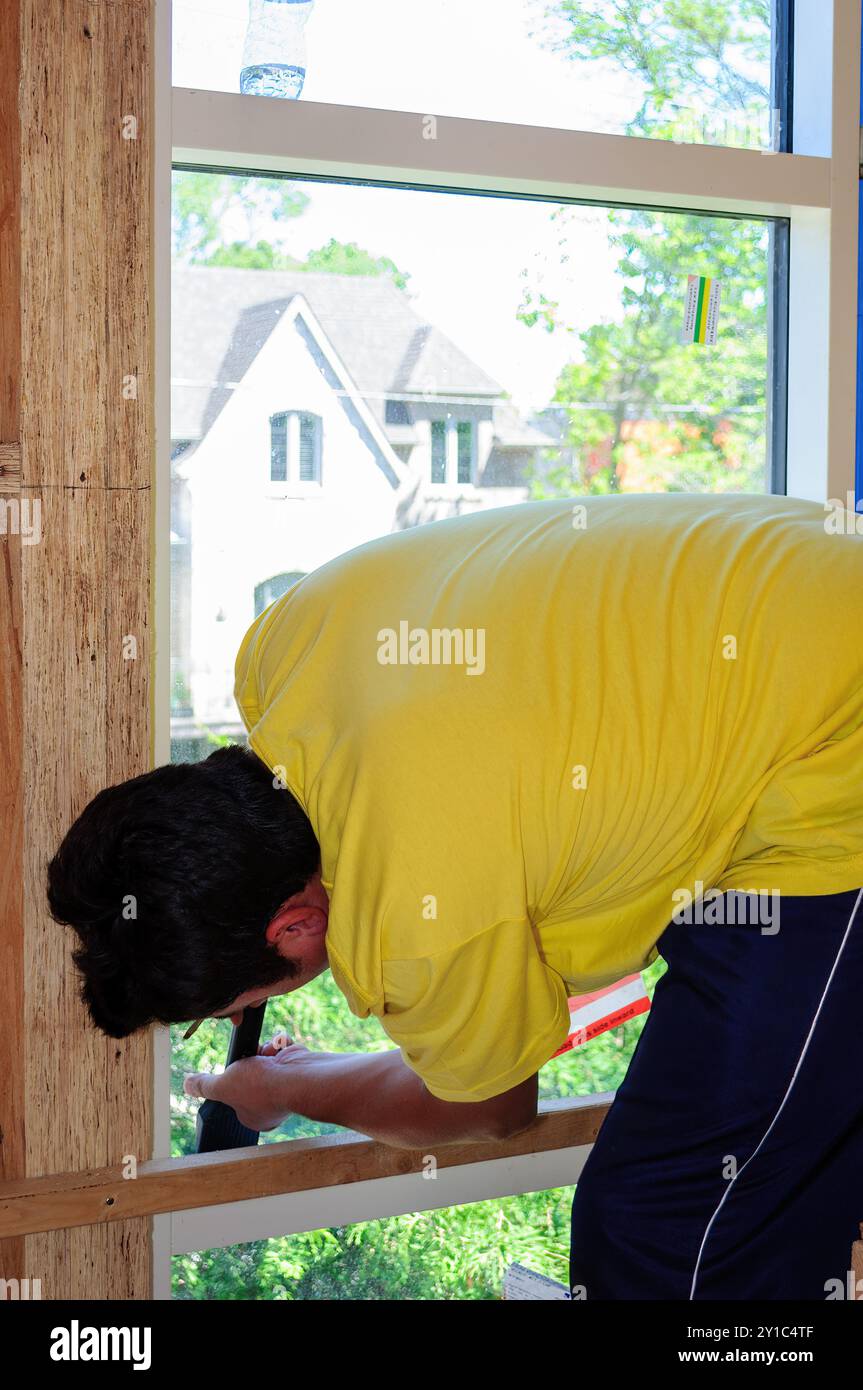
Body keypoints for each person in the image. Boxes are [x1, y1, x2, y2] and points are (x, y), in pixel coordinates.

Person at [47, 492, 863, 1299]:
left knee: (663, 1231)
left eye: (234, 1004)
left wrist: (290, 1088)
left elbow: (490, 1104)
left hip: (834, 748)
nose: (242, 1015)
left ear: (293, 926)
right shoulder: (287, 645)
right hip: (809, 589)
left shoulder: (416, 908)